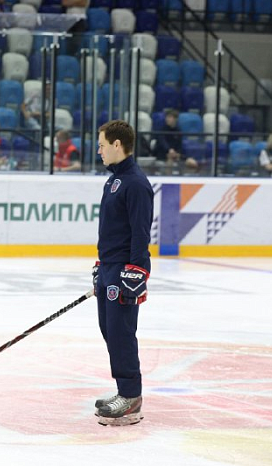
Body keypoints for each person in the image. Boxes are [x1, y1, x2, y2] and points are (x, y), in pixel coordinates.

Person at [92, 120, 154, 427]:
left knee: (121, 331)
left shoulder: (136, 184)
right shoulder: (114, 181)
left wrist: (137, 271)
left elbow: (141, 233)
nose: (99, 150)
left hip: (124, 271)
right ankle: (123, 390)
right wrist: (101, 266)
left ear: (118, 145)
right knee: (109, 329)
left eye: (102, 144)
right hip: (109, 268)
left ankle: (131, 396)